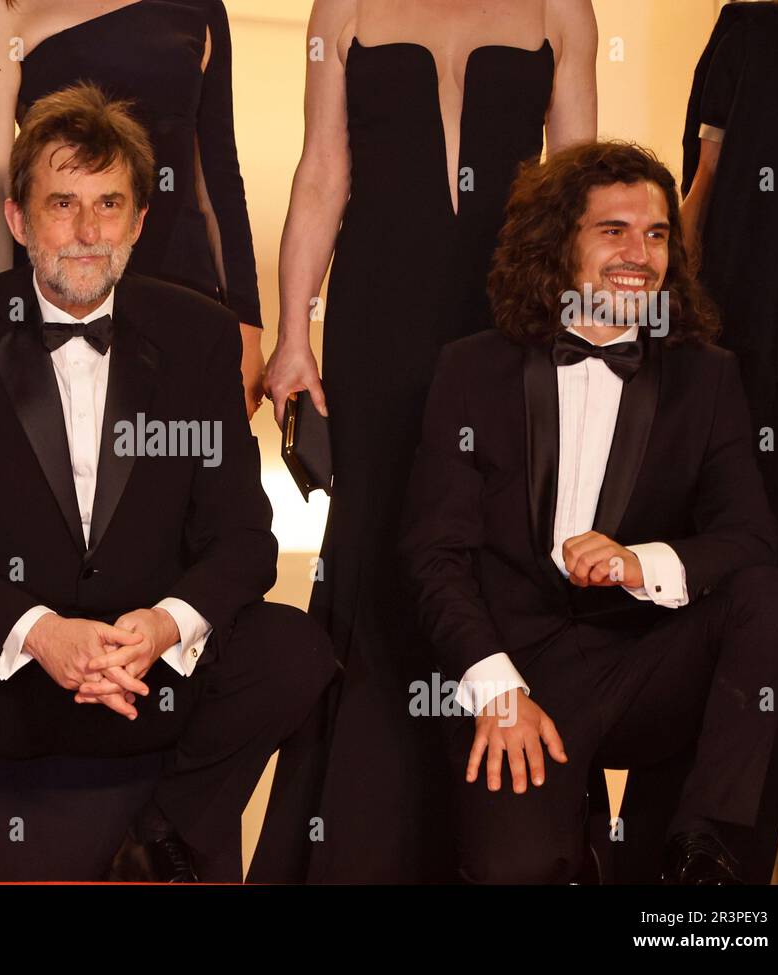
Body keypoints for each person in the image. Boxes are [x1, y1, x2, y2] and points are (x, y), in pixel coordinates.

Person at [0, 82, 336, 882]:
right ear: (18, 219)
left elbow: (244, 538)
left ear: (140, 223)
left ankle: (159, 840)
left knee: (294, 652)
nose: (85, 231)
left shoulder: (200, 336)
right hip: (8, 667)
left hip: (146, 668)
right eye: (61, 203)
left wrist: (158, 628)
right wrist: (42, 631)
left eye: (108, 204)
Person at [399, 140, 778, 884]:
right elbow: (434, 554)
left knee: (776, 598)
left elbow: (750, 536)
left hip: (647, 664)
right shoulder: (470, 367)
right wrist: (496, 688)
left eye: (656, 234)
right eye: (613, 230)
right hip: (517, 672)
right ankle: (579, 844)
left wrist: (639, 561)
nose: (641, 253)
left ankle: (704, 846)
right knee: (515, 870)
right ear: (559, 242)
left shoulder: (706, 375)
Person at [254, 0, 598, 883]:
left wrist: (587, 333)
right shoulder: (345, 6)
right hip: (376, 311)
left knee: (494, 539)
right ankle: (357, 837)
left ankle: (509, 823)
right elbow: (323, 171)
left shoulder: (564, 8)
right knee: (374, 539)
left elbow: (582, 186)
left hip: (508, 312)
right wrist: (294, 329)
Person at [0, 0, 266, 417]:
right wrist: (3, 311)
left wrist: (247, 323)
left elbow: (218, 176)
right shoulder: (2, 8)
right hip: (59, 288)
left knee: (184, 466)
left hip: (181, 284)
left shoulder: (201, 7)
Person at [678, 0, 778, 884]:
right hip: (762, 374)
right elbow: (698, 193)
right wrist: (695, 349)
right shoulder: (751, 29)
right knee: (759, 622)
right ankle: (724, 875)